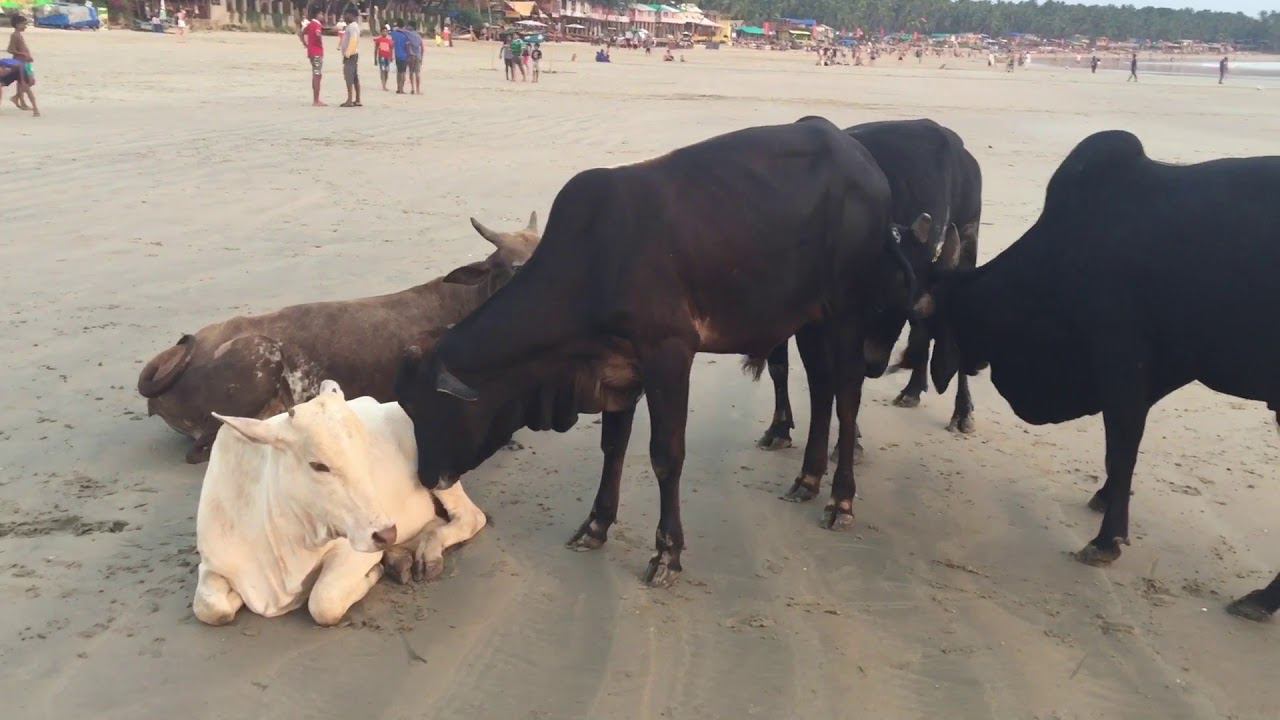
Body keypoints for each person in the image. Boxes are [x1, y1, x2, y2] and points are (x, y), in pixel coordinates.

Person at [2, 14, 38, 116]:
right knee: (26, 82)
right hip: (19, 62)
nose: (25, 26)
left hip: (25, 62)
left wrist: (27, 56)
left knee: (29, 82)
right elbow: (10, 49)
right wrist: (23, 54)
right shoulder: (14, 35)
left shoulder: (19, 35)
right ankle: (21, 101)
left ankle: (18, 99)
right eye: (24, 24)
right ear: (17, 25)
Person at [298, 6, 325, 106]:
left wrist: (306, 44)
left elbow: (301, 33)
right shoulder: (317, 24)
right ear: (317, 15)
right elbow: (318, 33)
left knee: (315, 74)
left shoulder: (310, 24)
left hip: (311, 52)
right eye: (321, 14)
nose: (322, 16)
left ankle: (316, 99)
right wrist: (318, 38)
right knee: (317, 75)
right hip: (317, 53)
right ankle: (316, 100)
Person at [338, 8, 361, 107]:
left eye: (346, 14)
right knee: (354, 77)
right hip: (353, 54)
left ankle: (350, 100)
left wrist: (347, 54)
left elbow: (353, 40)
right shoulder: (352, 26)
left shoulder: (352, 27)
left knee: (349, 77)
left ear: (351, 15)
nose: (344, 17)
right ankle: (357, 99)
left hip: (351, 55)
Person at [404, 21, 423, 95]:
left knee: (411, 73)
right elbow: (422, 47)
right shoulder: (418, 35)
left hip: (411, 56)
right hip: (418, 55)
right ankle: (418, 90)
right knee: (417, 73)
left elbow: (398, 29)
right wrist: (421, 57)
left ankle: (412, 88)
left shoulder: (407, 34)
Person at [391, 21, 410, 93]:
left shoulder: (394, 34)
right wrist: (408, 55)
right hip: (404, 55)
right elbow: (407, 46)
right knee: (403, 73)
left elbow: (391, 33)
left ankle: (398, 87)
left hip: (397, 55)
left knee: (398, 72)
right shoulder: (405, 35)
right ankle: (402, 89)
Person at [373, 25, 393, 90]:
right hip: (381, 57)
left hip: (388, 57)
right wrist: (375, 59)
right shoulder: (378, 40)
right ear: (381, 32)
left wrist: (391, 57)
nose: (385, 33)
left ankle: (385, 84)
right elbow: (376, 50)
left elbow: (391, 49)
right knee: (382, 71)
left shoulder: (389, 40)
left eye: (386, 31)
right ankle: (383, 85)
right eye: (383, 31)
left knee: (387, 71)